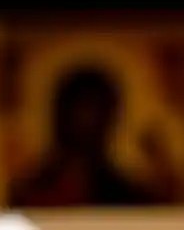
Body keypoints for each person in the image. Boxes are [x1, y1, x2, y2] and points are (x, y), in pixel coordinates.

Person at [10, 66, 172, 207]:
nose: (87, 122)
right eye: (80, 111)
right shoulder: (32, 188)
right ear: (60, 116)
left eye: (97, 112)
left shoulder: (124, 191)